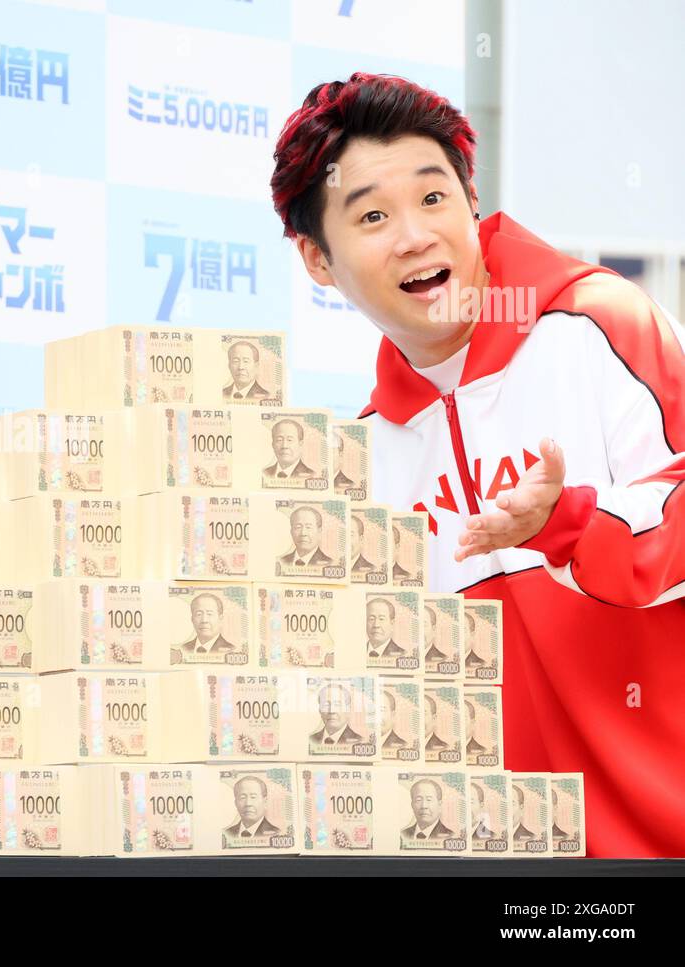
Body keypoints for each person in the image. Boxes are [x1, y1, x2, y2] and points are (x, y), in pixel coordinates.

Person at [273, 71, 685, 858]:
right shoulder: (360, 456)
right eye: (371, 216)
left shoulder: (599, 324)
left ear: (470, 200)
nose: (415, 235)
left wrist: (571, 524)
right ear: (317, 261)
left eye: (434, 199)